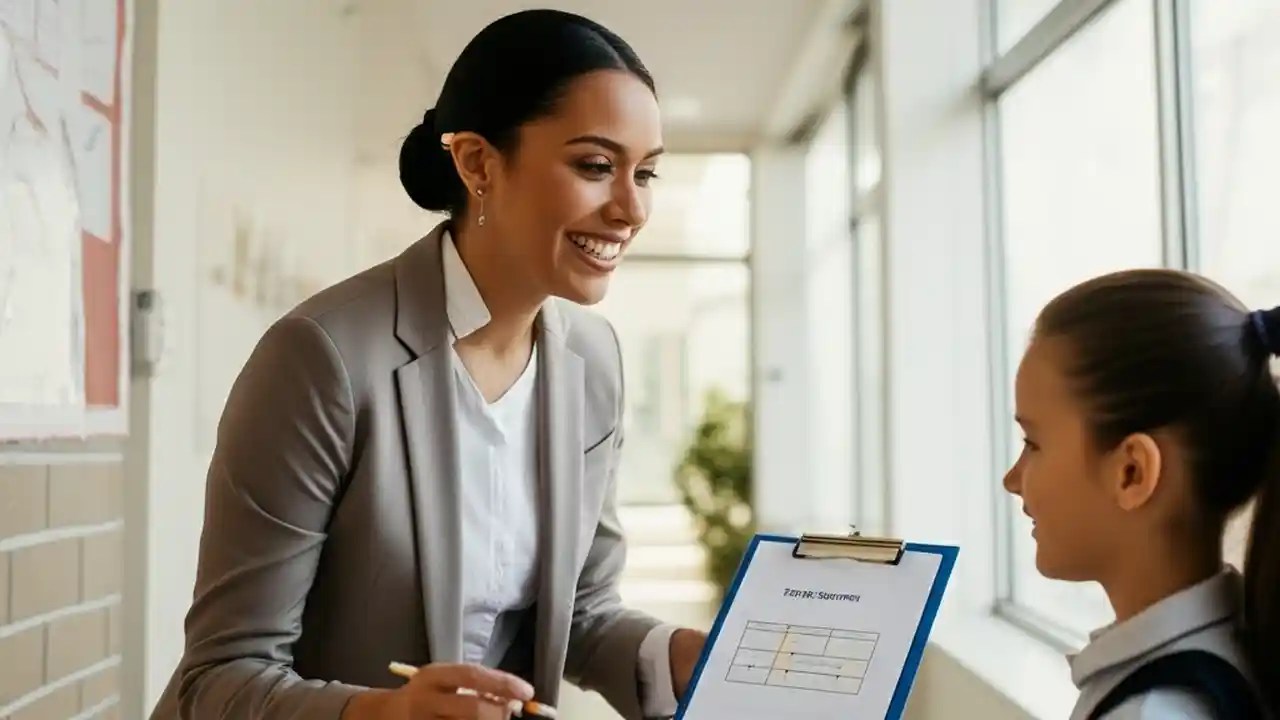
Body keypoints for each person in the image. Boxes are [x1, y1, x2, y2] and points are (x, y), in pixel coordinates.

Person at [150, 9, 707, 720]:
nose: (631, 208)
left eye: (648, 172)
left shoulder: (592, 361)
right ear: (478, 162)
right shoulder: (324, 359)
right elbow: (220, 679)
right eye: (595, 166)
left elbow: (581, 612)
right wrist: (386, 714)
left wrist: (677, 653)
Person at [1002, 268, 1280, 719]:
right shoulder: (1227, 653)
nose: (1012, 480)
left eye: (1033, 444)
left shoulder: (1153, 711)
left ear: (1131, 472)